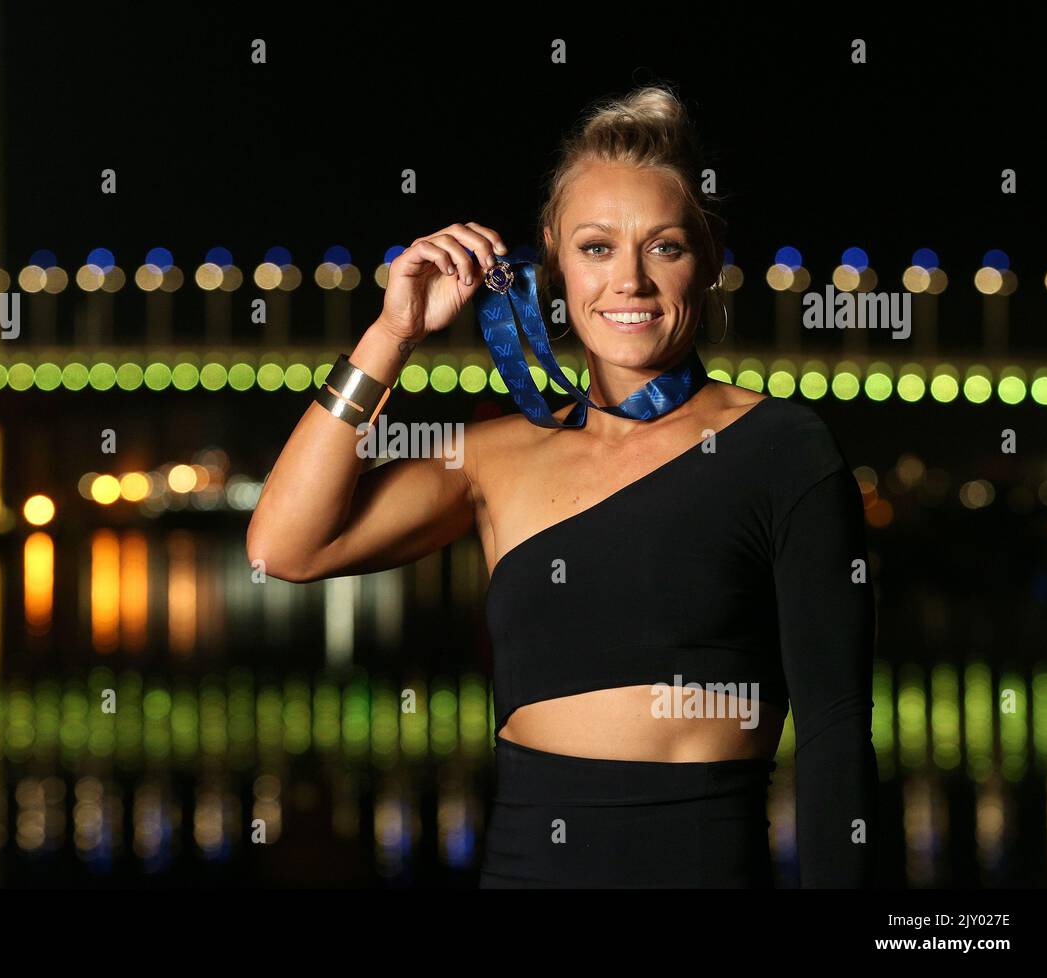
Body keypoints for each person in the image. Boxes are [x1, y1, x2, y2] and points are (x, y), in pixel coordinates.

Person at [246, 85, 878, 887]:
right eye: (595, 248)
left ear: (709, 257)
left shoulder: (784, 448)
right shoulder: (493, 455)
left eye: (666, 247)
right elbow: (284, 547)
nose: (630, 283)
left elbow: (835, 732)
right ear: (552, 259)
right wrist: (390, 336)